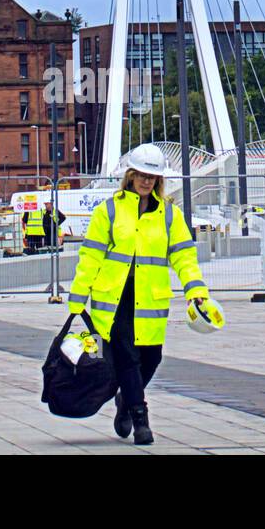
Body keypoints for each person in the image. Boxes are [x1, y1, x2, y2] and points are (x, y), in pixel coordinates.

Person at [67, 143, 209, 445]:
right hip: (114, 298)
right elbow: (91, 255)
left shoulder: (169, 215)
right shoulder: (109, 210)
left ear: (159, 181)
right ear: (130, 175)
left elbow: (184, 257)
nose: (146, 181)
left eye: (152, 177)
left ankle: (125, 400)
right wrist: (78, 295)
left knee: (152, 357)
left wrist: (195, 290)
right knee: (127, 357)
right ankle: (140, 417)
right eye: (142, 175)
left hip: (149, 298)